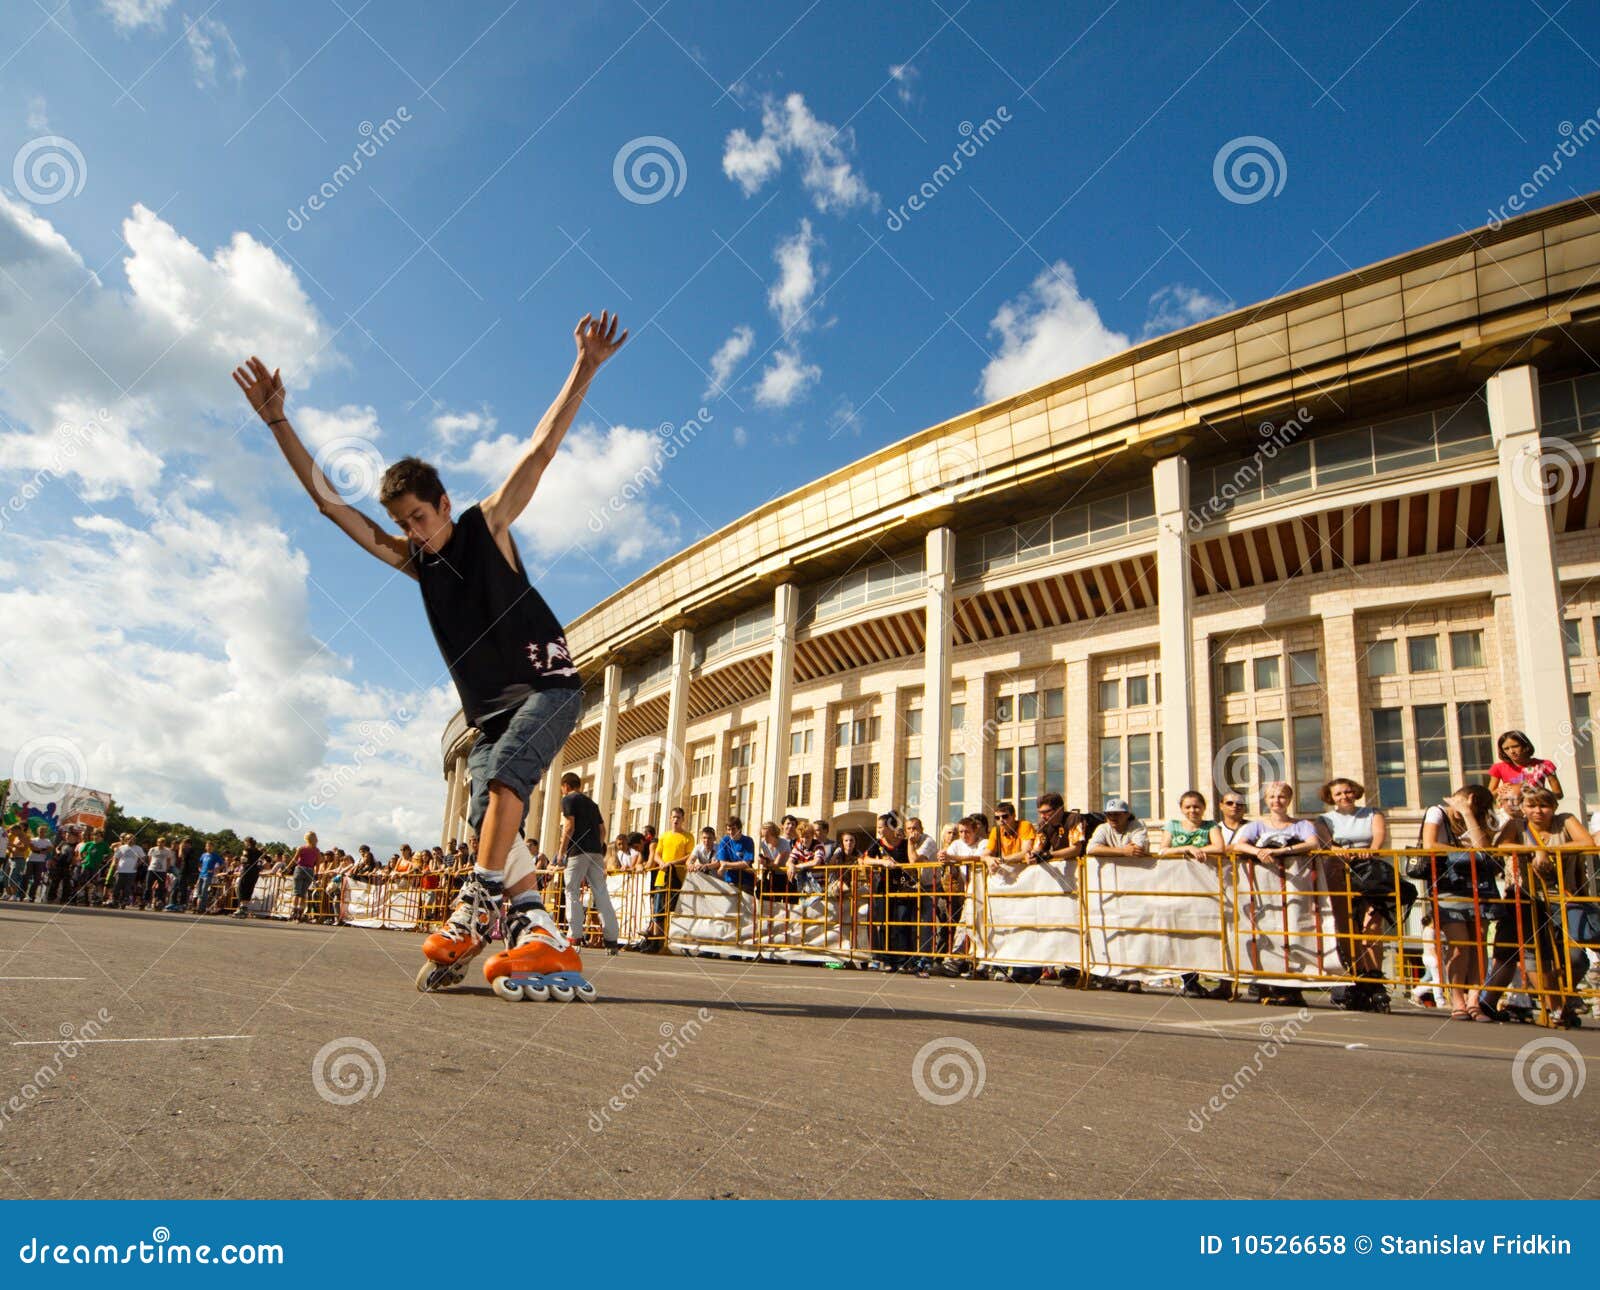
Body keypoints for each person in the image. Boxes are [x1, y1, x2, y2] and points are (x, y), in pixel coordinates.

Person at [235, 308, 627, 996]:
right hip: (490, 715)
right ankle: (536, 923)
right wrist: (277, 423)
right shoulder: (416, 564)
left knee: (507, 776)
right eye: (402, 525)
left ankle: (478, 905)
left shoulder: (489, 524)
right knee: (485, 817)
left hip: (550, 689)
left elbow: (538, 451)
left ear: (444, 503)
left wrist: (585, 367)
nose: (413, 534)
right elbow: (332, 506)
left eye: (419, 517)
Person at [1496, 786, 1593, 1029]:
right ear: (1524, 808)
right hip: (1532, 898)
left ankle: (1565, 997)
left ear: (1554, 807)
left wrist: (1549, 850)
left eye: (1544, 805)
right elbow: (1502, 846)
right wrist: (1534, 850)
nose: (1538, 811)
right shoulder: (1518, 825)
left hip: (1567, 897)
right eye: (1532, 806)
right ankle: (1556, 1009)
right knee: (1540, 957)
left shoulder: (1565, 821)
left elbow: (1586, 842)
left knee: (1576, 957)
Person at [1231, 782, 1322, 1008]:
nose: (1276, 801)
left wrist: (1282, 851)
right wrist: (1259, 851)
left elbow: (1313, 842)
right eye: (1272, 797)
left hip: (1295, 886)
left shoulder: (1302, 825)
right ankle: (1269, 984)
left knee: (1294, 930)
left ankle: (1293, 987)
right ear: (1266, 800)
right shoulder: (1257, 826)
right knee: (1269, 932)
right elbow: (1237, 845)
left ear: (1289, 800)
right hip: (1265, 888)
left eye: (1281, 797)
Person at [1318, 779, 1405, 1013]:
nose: (1344, 796)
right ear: (1331, 797)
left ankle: (1373, 977)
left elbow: (1378, 836)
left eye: (1348, 791)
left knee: (1372, 924)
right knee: (1346, 926)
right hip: (1340, 870)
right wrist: (1342, 852)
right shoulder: (1325, 819)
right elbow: (1326, 844)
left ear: (1356, 792)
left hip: (1370, 870)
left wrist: (1369, 851)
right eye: (1338, 793)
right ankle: (1352, 976)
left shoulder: (1372, 813)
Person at [1417, 785, 1502, 1021]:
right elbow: (1430, 844)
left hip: (1480, 886)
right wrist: (1465, 851)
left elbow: (1483, 849)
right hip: (1449, 885)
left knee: (1479, 944)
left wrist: (1467, 814)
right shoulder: (1437, 812)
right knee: (1459, 945)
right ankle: (1458, 1000)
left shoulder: (1482, 819)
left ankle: (1475, 1000)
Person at [1153, 791, 1223, 1000]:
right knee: (1181, 931)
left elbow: (1219, 847)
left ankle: (1208, 975)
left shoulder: (1211, 826)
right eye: (1188, 807)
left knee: (1202, 932)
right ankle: (1188, 979)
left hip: (1205, 887)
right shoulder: (1173, 826)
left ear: (1204, 807)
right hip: (1178, 884)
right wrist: (1188, 848)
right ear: (1182, 808)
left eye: (1196, 806)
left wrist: (1200, 849)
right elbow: (1162, 850)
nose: (1193, 810)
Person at [556, 771, 620, 952]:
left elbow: (569, 826)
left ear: (566, 786)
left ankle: (575, 936)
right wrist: (597, 848)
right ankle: (611, 939)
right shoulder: (592, 804)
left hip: (577, 851)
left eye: (562, 788)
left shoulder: (569, 799)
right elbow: (602, 830)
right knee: (601, 892)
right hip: (595, 852)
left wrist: (561, 853)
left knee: (572, 891)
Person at [634, 807, 693, 952]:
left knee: (674, 910)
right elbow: (656, 854)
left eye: (678, 817)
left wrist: (673, 863)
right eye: (673, 817)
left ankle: (671, 942)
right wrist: (661, 863)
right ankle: (655, 941)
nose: (676, 820)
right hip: (662, 877)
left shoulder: (687, 837)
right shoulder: (664, 836)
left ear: (683, 819)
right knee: (658, 910)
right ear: (670, 819)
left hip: (678, 877)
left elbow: (689, 856)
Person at [1488, 730, 1561, 800]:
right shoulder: (1498, 767)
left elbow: (1559, 794)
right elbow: (1488, 797)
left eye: (1515, 746)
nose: (1511, 751)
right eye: (1506, 748)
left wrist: (1539, 795)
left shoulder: (1545, 764)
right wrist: (1499, 790)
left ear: (1525, 746)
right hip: (1512, 809)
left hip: (1536, 809)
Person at [715, 816, 757, 891]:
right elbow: (722, 861)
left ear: (739, 829)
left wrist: (726, 865)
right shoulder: (725, 840)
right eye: (728, 830)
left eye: (733, 829)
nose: (731, 832)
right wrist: (725, 865)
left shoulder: (748, 841)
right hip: (730, 881)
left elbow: (746, 863)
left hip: (746, 882)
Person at [111, 834, 145, 908]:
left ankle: (124, 900)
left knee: (127, 887)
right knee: (117, 886)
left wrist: (138, 864)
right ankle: (115, 900)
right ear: (126, 840)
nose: (130, 840)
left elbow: (143, 858)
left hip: (131, 871)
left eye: (132, 839)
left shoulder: (138, 848)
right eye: (128, 839)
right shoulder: (121, 848)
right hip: (121, 870)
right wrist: (115, 867)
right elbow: (116, 858)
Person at [234, 836, 263, 918]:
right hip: (255, 873)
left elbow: (244, 859)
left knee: (241, 888)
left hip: (246, 871)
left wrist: (241, 862)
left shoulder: (246, 850)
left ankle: (241, 908)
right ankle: (244, 909)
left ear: (247, 842)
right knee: (249, 889)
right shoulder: (259, 852)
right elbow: (263, 861)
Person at [145, 835, 175, 910]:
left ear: (164, 843)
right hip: (152, 869)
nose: (160, 843)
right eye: (159, 842)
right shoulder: (152, 849)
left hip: (162, 871)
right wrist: (151, 866)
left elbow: (168, 860)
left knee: (161, 888)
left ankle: (158, 901)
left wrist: (166, 869)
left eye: (162, 842)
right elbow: (149, 858)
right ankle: (146, 901)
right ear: (157, 842)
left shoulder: (167, 851)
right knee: (148, 886)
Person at [195, 840, 224, 914]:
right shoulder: (203, 855)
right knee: (199, 891)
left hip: (208, 875)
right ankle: (198, 907)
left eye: (210, 846)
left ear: (213, 847)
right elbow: (199, 863)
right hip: (201, 874)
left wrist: (215, 869)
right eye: (208, 846)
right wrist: (200, 869)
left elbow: (222, 864)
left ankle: (202, 908)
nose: (209, 848)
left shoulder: (215, 855)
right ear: (206, 847)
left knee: (204, 891)